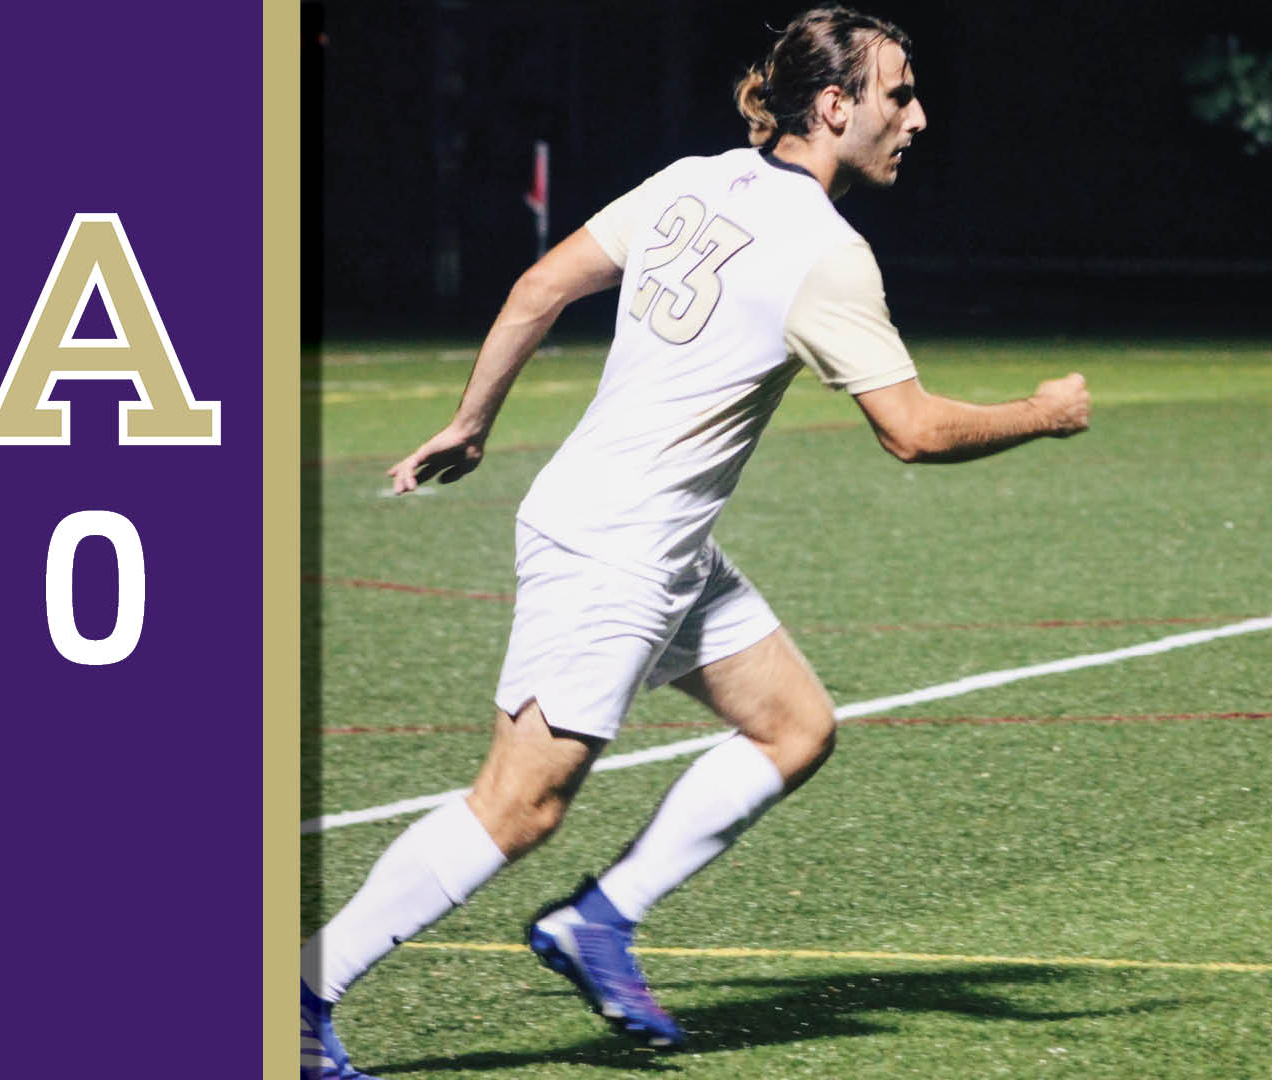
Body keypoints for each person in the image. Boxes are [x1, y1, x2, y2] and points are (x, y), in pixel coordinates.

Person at [300, 7, 1090, 1076]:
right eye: (898, 94)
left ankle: (599, 921)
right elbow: (912, 432)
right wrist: (1043, 412)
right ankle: (301, 992)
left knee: (794, 727)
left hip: (654, 543)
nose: (917, 116)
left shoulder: (688, 179)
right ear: (833, 106)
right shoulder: (827, 251)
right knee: (518, 805)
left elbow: (540, 285)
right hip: (613, 551)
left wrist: (473, 421)